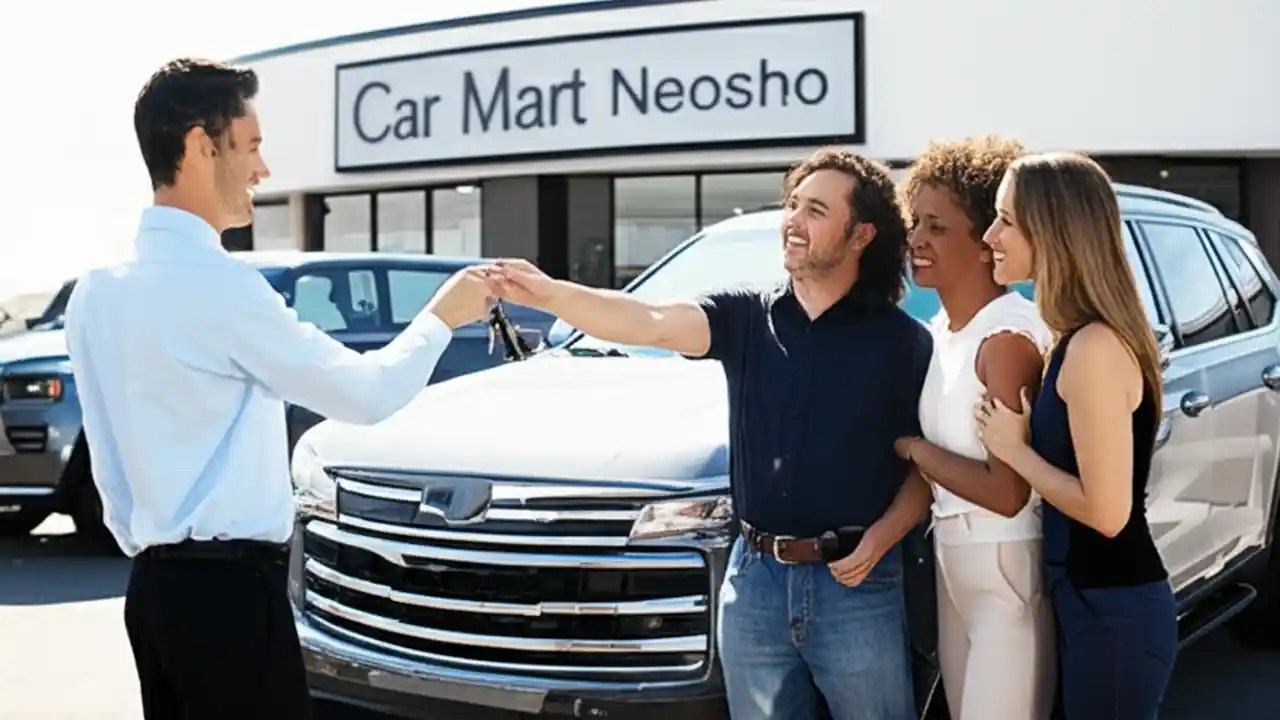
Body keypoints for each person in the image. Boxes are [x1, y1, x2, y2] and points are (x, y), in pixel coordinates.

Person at [63, 58, 493, 720]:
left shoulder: (95, 294)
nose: (264, 170)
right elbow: (367, 393)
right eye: (253, 144)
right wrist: (442, 316)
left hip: (151, 595)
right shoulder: (224, 288)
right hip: (231, 602)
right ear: (203, 146)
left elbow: (111, 474)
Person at [482, 147, 933, 720]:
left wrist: (879, 541)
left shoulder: (903, 343)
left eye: (816, 210)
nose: (793, 220)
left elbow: (924, 469)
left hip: (858, 584)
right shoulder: (746, 318)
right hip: (755, 585)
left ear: (862, 234)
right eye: (792, 204)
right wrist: (549, 293)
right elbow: (647, 321)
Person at [974, 151, 1178, 719]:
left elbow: (1108, 512)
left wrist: (1014, 451)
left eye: (1006, 220)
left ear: (1055, 232)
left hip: (1113, 612)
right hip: (1085, 603)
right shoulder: (1072, 340)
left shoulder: (1094, 348)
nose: (990, 234)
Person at [892, 136, 1056, 719]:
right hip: (953, 570)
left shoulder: (1007, 338)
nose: (915, 240)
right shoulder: (941, 330)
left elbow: (1008, 492)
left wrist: (914, 449)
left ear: (987, 242)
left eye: (936, 227)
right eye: (916, 223)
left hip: (1003, 572)